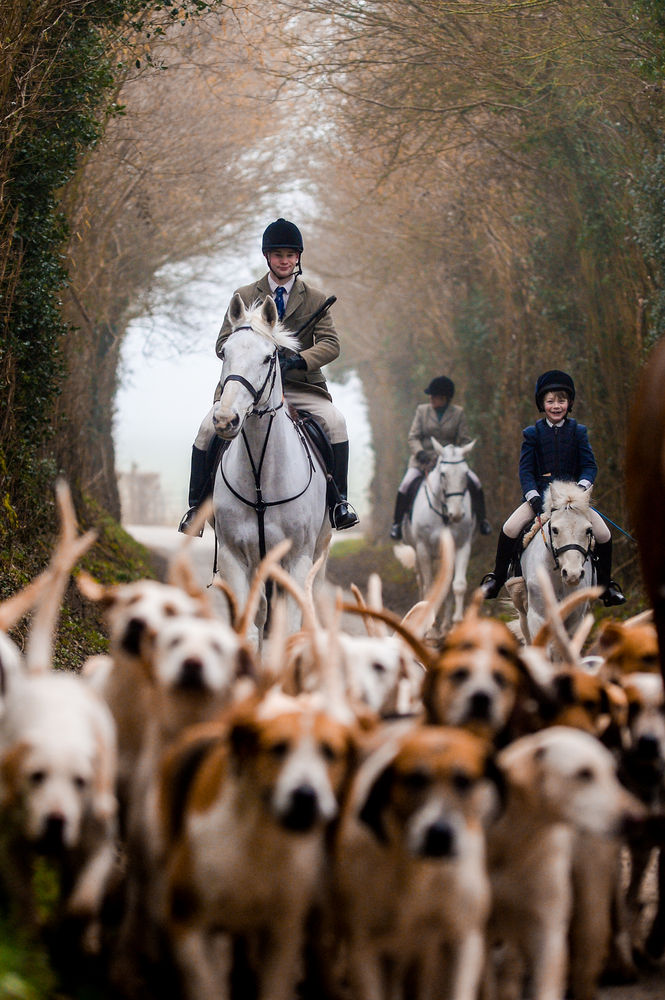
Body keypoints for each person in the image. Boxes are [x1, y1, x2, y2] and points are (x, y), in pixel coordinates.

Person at [178, 218, 359, 534]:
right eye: (278, 255)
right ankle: (196, 507)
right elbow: (223, 342)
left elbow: (331, 344)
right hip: (250, 388)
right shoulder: (245, 294)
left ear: (298, 257)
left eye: (290, 254)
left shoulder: (315, 298)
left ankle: (338, 502)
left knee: (336, 422)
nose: (285, 260)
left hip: (300, 386)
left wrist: (299, 359)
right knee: (208, 428)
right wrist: (255, 348)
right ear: (267, 257)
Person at [479, 369, 626, 606]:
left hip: (573, 500)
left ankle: (605, 587)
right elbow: (525, 471)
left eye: (561, 400)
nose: (556, 406)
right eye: (550, 401)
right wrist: (533, 496)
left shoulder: (579, 432)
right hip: (540, 498)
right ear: (542, 403)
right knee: (509, 528)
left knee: (603, 534)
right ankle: (497, 578)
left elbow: (590, 466)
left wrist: (580, 489)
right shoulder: (532, 434)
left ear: (569, 403)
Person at [389, 375, 491, 541]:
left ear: (444, 398)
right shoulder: (422, 411)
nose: (430, 398)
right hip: (422, 461)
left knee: (475, 482)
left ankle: (482, 521)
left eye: (434, 396)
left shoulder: (458, 413)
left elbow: (465, 440)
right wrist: (420, 453)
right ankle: (397, 524)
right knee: (405, 485)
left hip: (449, 462)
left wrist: (456, 454)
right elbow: (413, 437)